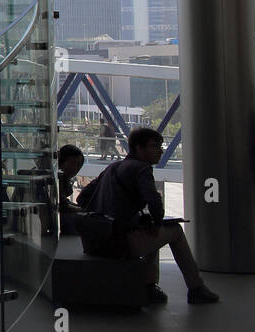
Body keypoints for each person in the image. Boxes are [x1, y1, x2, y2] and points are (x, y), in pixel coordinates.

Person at [78, 127, 219, 305]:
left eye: (160, 146)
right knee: (174, 230)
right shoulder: (141, 168)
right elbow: (153, 201)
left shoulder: (112, 168)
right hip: (119, 243)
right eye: (154, 146)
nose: (160, 150)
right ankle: (195, 288)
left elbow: (82, 198)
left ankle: (150, 286)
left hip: (97, 242)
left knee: (150, 229)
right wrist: (158, 222)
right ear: (139, 148)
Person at [57, 143, 85, 235]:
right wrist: (85, 210)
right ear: (61, 161)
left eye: (78, 165)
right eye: (73, 163)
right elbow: (63, 206)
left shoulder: (60, 176)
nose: (76, 168)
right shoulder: (58, 178)